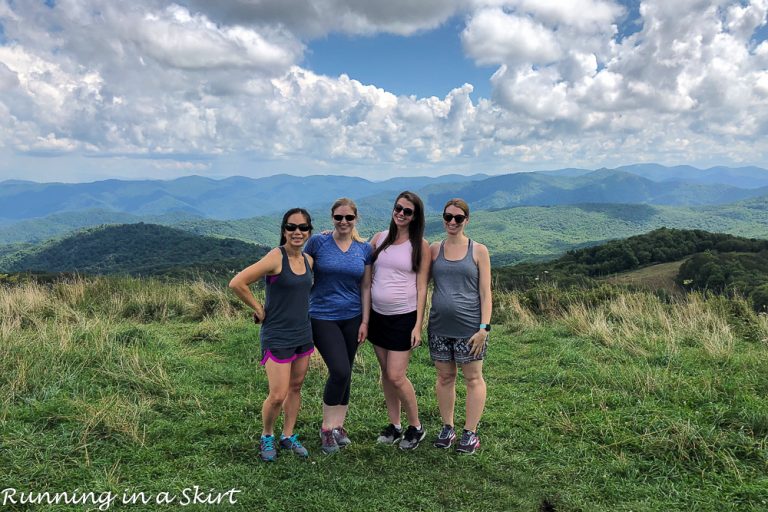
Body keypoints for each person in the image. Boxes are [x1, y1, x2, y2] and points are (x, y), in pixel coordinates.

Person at [229, 208, 315, 462]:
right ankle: (267, 435)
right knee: (278, 394)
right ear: (283, 230)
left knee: (296, 387)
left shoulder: (309, 261)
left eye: (302, 227)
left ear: (308, 231)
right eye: (291, 227)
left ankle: (288, 435)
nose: (297, 232)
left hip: (303, 333)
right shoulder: (276, 257)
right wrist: (258, 308)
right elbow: (237, 283)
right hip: (277, 335)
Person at [303, 198, 372, 454]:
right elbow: (298, 269)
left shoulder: (364, 249)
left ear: (356, 219)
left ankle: (338, 427)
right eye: (339, 217)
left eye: (349, 218)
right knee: (340, 370)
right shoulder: (318, 242)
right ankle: (326, 428)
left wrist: (365, 320)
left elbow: (365, 286)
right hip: (322, 316)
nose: (343, 222)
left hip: (352, 317)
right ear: (332, 218)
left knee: (347, 372)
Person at [427, 198, 492, 455]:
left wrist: (484, 328)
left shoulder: (478, 251)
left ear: (467, 220)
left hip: (470, 329)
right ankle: (447, 427)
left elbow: (486, 293)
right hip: (439, 326)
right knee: (444, 377)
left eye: (458, 218)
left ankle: (470, 432)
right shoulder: (434, 249)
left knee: (473, 378)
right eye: (447, 217)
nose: (452, 222)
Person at [368, 191, 431, 450]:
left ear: (415, 217)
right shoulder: (379, 238)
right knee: (386, 374)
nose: (401, 214)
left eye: (408, 211)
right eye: (398, 208)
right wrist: (332, 234)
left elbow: (422, 287)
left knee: (396, 375)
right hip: (376, 315)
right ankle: (394, 425)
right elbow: (357, 248)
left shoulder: (420, 246)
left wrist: (418, 324)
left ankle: (415, 427)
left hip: (403, 317)